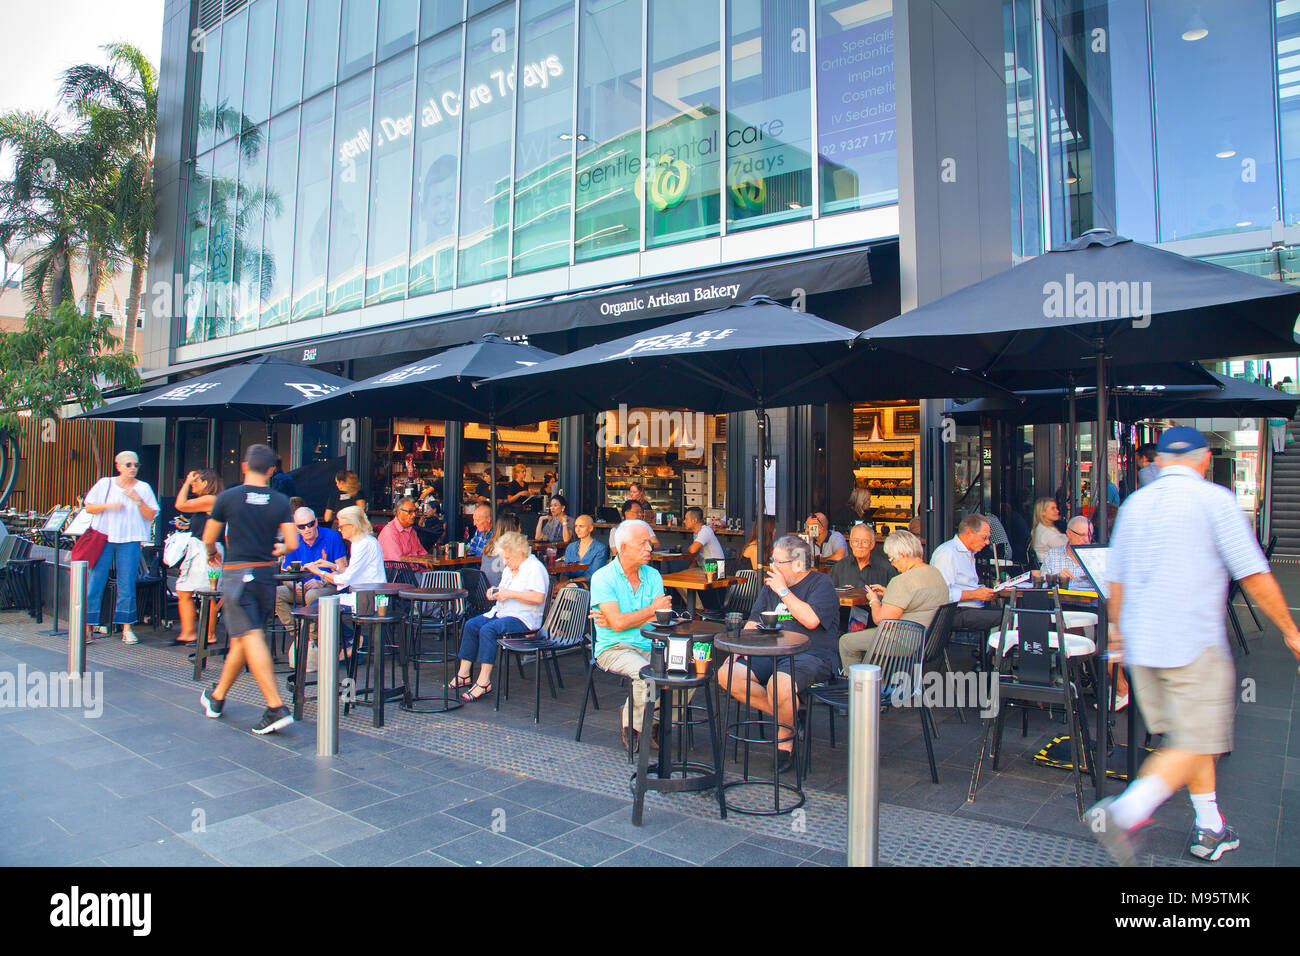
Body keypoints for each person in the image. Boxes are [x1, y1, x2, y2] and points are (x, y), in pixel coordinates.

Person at [1089, 427, 1300, 865]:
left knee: (1191, 738)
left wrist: (1116, 637)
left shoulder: (1134, 504)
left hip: (1143, 648)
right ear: (1204, 459)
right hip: (1193, 645)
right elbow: (1254, 574)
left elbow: (1117, 581)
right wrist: (1290, 630)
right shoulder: (1217, 501)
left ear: (1161, 461)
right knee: (1197, 739)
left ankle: (1212, 826)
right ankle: (1124, 813)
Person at [716, 535, 840, 766]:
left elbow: (811, 620)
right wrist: (738, 652)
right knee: (727, 674)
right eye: (772, 560)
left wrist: (784, 591)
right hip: (770, 650)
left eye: (777, 561)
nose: (771, 566)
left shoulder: (821, 584)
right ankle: (791, 716)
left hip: (811, 653)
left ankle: (785, 743)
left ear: (798, 563)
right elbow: (753, 622)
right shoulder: (771, 585)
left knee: (779, 684)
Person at [199, 444, 298, 734]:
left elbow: (209, 537)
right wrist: (278, 547)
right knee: (245, 637)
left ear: (244, 467)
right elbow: (291, 544)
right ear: (271, 471)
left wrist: (210, 553)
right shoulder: (281, 501)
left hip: (236, 574)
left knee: (250, 634)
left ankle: (275, 706)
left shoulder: (227, 498)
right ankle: (217, 698)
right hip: (266, 576)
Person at [590, 519, 674, 752]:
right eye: (643, 543)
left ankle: (650, 718)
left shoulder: (653, 575)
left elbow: (659, 618)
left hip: (650, 645)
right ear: (624, 548)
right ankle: (636, 727)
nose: (650, 548)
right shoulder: (603, 577)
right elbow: (620, 624)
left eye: (649, 542)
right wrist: (646, 613)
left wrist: (624, 619)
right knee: (649, 674)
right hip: (613, 648)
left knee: (687, 674)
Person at [448, 531, 548, 702]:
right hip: (502, 612)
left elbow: (538, 597)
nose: (505, 562)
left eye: (507, 558)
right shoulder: (511, 568)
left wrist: (509, 594)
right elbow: (505, 590)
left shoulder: (535, 568)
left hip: (524, 618)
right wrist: (494, 592)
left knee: (488, 630)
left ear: (521, 553)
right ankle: (464, 673)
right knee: (471, 625)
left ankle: (484, 681)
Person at [839, 530, 950, 672]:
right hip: (930, 642)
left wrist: (874, 600)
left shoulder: (902, 581)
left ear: (903, 555)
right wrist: (889, 593)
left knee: (847, 642)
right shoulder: (935, 572)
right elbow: (918, 598)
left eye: (892, 559)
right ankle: (878, 678)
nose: (893, 564)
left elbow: (881, 619)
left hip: (905, 641)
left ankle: (860, 688)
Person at [83, 451, 160, 645]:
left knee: (127, 583)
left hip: (131, 538)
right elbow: (89, 506)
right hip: (105, 536)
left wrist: (137, 500)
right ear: (118, 466)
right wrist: (109, 506)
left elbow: (151, 515)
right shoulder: (105, 483)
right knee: (96, 580)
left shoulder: (143, 488)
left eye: (136, 464)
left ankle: (127, 626)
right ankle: (87, 626)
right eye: (128, 464)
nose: (133, 468)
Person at [274, 506, 347, 635]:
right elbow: (285, 575)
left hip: (328, 586)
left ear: (316, 522)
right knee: (275, 593)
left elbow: (342, 570)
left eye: (310, 524)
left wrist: (323, 581)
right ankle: (297, 633)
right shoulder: (294, 541)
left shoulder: (332, 536)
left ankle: (312, 638)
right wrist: (295, 585)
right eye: (302, 527)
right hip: (301, 589)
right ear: (296, 528)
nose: (307, 529)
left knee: (312, 595)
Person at [173, 469, 224, 646]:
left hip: (208, 550)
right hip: (199, 549)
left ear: (206, 483)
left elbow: (180, 505)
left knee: (207, 593)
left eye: (196, 480)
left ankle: (209, 634)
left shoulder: (210, 499)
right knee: (184, 590)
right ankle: (189, 632)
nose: (193, 483)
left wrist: (186, 483)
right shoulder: (208, 501)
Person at [310, 506, 386, 620]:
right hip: (364, 595)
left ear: (353, 525)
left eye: (341, 526)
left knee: (319, 606)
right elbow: (354, 571)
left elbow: (344, 580)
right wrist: (332, 566)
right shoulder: (361, 542)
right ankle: (347, 636)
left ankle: (347, 636)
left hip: (367, 598)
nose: (339, 530)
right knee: (319, 604)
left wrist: (319, 572)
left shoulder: (363, 544)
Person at [930, 514, 1003, 633]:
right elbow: (942, 594)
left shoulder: (969, 553)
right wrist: (975, 594)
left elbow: (966, 585)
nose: (987, 542)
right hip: (955, 611)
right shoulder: (947, 553)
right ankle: (994, 651)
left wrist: (987, 592)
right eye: (984, 537)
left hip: (972, 607)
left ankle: (992, 650)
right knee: (1009, 616)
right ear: (969, 533)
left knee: (1011, 612)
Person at [830, 524, 896, 627]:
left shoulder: (887, 568)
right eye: (856, 541)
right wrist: (841, 591)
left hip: (875, 623)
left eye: (864, 542)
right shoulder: (840, 567)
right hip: (843, 623)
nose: (859, 545)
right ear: (851, 543)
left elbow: (895, 601)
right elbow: (828, 595)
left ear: (872, 545)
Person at [377, 497, 429, 563]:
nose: (414, 515)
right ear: (399, 512)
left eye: (415, 511)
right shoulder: (390, 533)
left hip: (416, 570)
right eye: (410, 512)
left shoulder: (411, 530)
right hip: (402, 572)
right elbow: (397, 563)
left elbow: (422, 553)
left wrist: (426, 563)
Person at [562, 514, 608, 583]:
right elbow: (565, 571)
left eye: (581, 526)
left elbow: (593, 575)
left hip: (589, 586)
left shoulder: (600, 548)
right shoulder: (571, 547)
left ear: (590, 528)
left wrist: (570, 581)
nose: (577, 530)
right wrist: (562, 584)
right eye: (576, 526)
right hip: (569, 586)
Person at [480, 512, 521, 587]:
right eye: (519, 527)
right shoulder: (511, 550)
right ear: (514, 529)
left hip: (484, 592)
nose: (520, 530)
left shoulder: (488, 547)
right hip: (500, 593)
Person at [1031, 497, 1068, 565]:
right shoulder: (1046, 532)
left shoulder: (1041, 528)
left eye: (1056, 508)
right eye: (1053, 508)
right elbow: (1068, 549)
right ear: (1043, 512)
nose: (1057, 511)